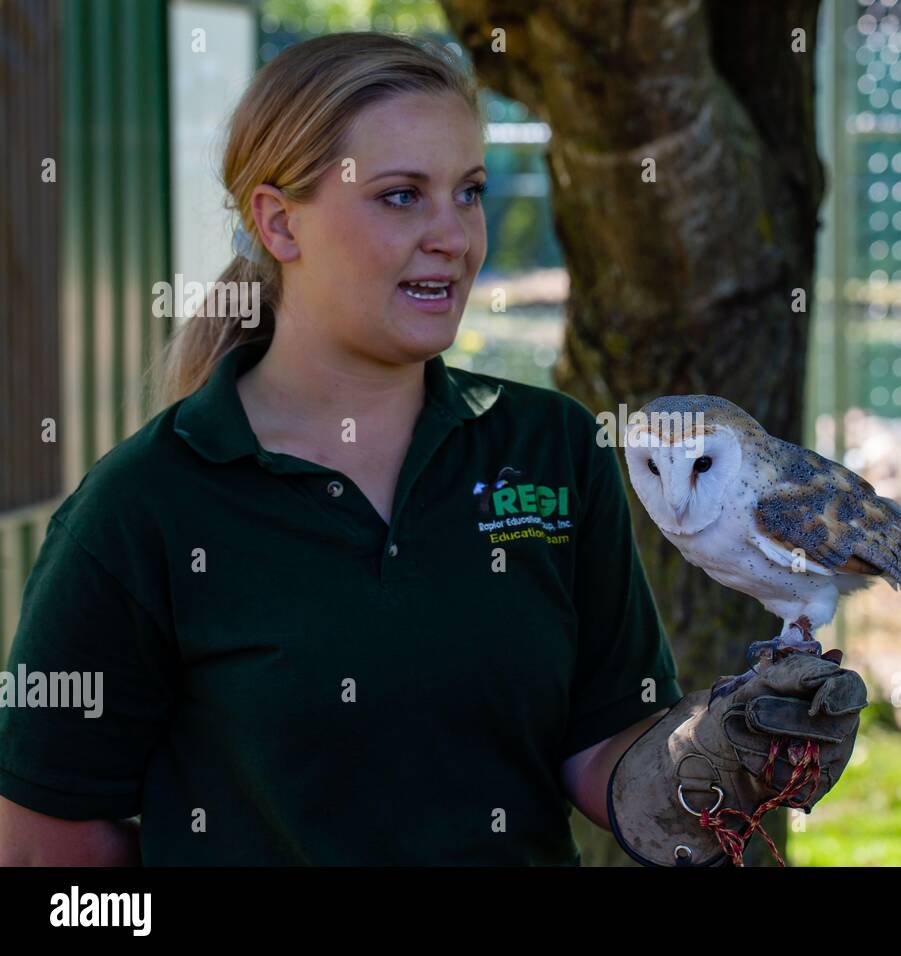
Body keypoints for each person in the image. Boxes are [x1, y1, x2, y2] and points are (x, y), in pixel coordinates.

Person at [0, 32, 686, 865]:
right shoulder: (142, 507)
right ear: (279, 222)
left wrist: (717, 767)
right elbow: (47, 851)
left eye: (468, 193)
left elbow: (606, 745)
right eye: (402, 197)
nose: (454, 237)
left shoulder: (552, 449)